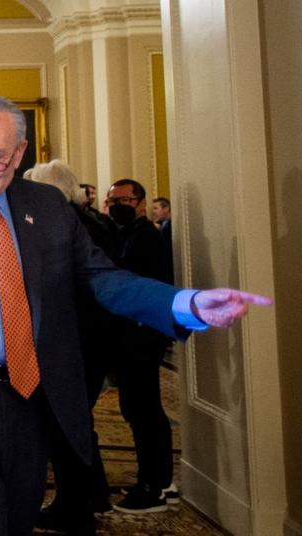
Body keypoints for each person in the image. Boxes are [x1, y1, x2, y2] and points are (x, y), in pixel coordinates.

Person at [0, 95, 271, 535]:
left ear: (19, 153)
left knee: (16, 521)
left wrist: (184, 303)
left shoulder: (49, 207)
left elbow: (102, 278)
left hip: (32, 399)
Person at [28, 160, 119, 534]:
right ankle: (93, 493)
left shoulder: (63, 225)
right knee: (77, 421)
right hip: (94, 337)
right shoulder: (96, 220)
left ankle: (74, 508)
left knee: (63, 425)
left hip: (72, 339)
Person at [105, 179, 177, 513]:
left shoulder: (146, 237)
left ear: (141, 202)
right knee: (140, 409)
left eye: (124, 199)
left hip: (142, 334)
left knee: (143, 410)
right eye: (112, 199)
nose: (117, 204)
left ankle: (153, 486)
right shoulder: (127, 234)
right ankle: (161, 479)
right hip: (131, 335)